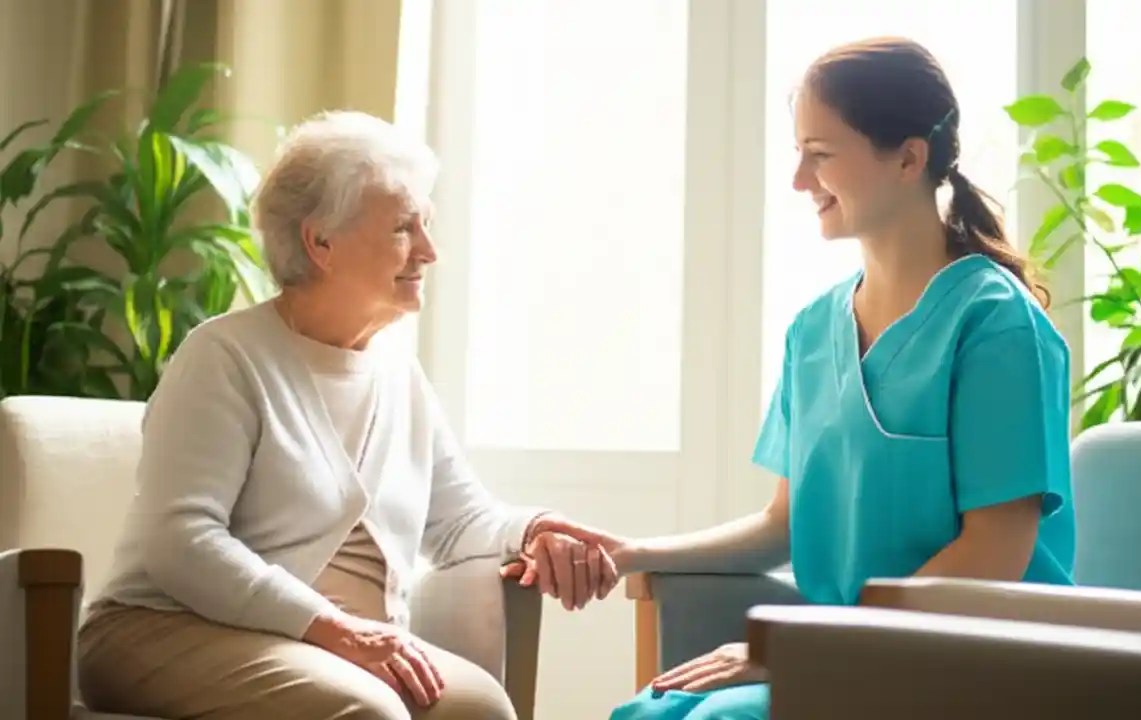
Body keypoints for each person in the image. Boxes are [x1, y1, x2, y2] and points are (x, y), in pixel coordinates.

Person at [519, 36, 1078, 720]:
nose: (797, 182)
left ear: (908, 157)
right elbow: (784, 523)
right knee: (650, 714)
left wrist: (802, 647)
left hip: (967, 664)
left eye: (819, 156)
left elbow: (996, 549)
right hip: (847, 660)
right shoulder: (814, 330)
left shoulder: (996, 325)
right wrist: (632, 552)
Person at [76, 110, 618, 720]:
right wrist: (332, 628)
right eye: (402, 228)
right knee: (369, 714)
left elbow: (458, 520)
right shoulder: (224, 357)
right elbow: (182, 543)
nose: (429, 251)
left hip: (323, 647)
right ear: (320, 242)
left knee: (481, 709)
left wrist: (536, 529)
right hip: (164, 630)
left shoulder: (398, 375)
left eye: (427, 226)